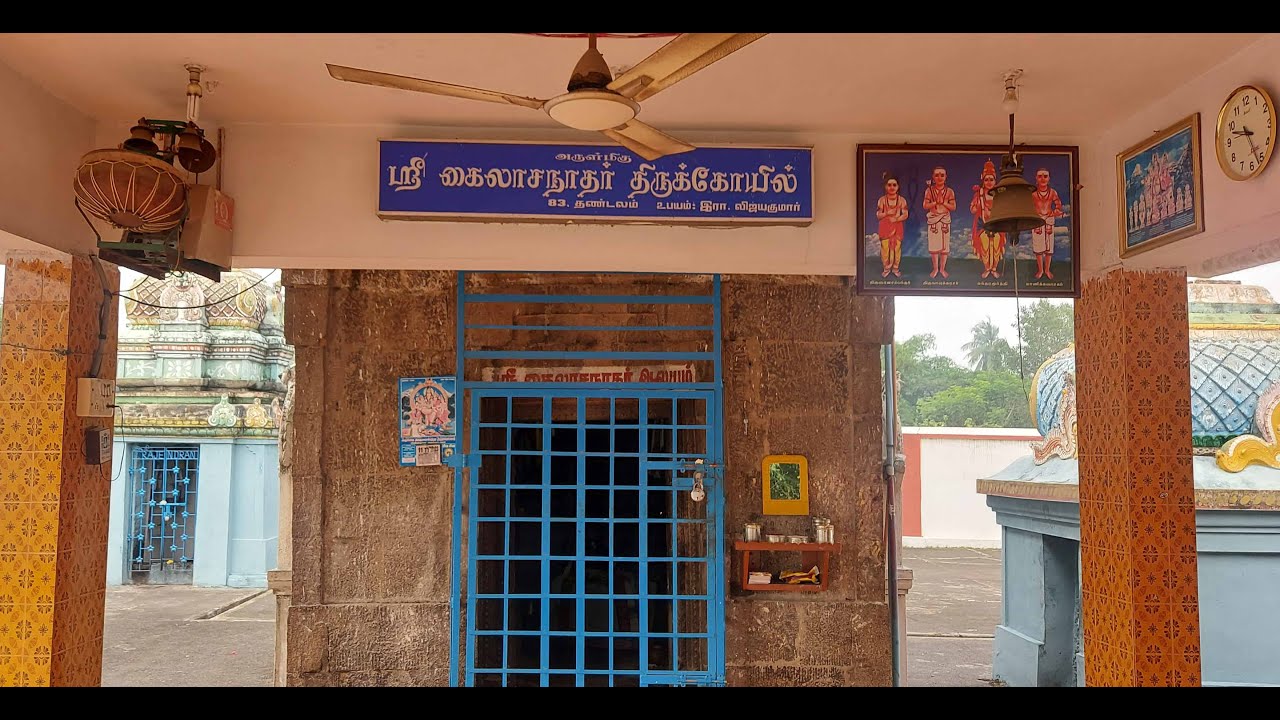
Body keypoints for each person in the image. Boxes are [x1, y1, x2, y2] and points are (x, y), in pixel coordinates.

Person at [970, 159, 1005, 279]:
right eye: (986, 180)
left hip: (996, 223)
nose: (989, 182)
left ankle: (994, 268)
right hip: (982, 223)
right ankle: (987, 268)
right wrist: (978, 204)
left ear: (995, 181)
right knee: (984, 244)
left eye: (991, 179)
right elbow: (972, 209)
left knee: (996, 246)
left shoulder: (999, 194)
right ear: (983, 180)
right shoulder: (979, 194)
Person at [922, 165, 956, 279]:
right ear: (933, 177)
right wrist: (936, 202)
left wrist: (944, 203)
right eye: (937, 175)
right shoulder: (929, 190)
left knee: (945, 248)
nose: (939, 177)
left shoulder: (949, 191)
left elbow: (953, 206)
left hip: (945, 220)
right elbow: (925, 205)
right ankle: (935, 269)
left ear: (946, 177)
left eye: (942, 175)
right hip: (933, 220)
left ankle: (942, 269)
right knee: (934, 247)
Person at [1030, 167, 1064, 280]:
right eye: (1040, 176)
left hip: (1049, 220)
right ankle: (1040, 270)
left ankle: (1047, 270)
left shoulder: (1052, 192)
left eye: (1045, 176)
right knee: (1039, 248)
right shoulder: (1033, 194)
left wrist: (1056, 211)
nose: (1043, 179)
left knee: (1049, 249)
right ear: (1036, 178)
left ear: (1049, 178)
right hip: (1037, 221)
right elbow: (1029, 207)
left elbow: (1058, 204)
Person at [875, 172, 908, 277]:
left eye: (894, 185)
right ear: (885, 187)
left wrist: (897, 218)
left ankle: (895, 268)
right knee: (885, 248)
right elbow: (878, 215)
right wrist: (886, 213)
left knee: (896, 248)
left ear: (898, 187)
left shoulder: (902, 200)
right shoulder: (882, 200)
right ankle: (886, 268)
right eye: (889, 185)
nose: (892, 187)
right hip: (885, 227)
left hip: (897, 227)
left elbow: (906, 214)